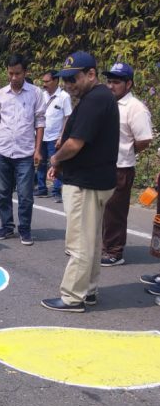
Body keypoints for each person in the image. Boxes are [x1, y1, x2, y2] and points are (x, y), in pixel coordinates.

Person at [41, 51, 119, 313]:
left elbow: (74, 144)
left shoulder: (95, 100)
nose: (68, 85)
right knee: (92, 241)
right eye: (65, 80)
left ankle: (73, 296)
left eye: (73, 79)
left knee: (80, 243)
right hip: (96, 179)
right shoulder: (98, 98)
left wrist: (55, 160)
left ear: (91, 74)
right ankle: (90, 290)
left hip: (87, 183)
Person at [0, 54, 46, 246]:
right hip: (2, 152)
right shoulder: (0, 95)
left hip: (25, 154)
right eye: (10, 73)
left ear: (25, 72)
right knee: (3, 192)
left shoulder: (35, 93)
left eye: (17, 73)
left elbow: (40, 122)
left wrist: (37, 150)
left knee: (25, 195)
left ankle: (25, 230)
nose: (13, 77)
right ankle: (7, 226)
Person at [100, 62, 153, 267]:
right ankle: (103, 246)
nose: (111, 86)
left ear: (128, 84)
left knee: (115, 212)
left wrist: (127, 152)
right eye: (109, 81)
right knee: (100, 210)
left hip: (121, 167)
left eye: (116, 82)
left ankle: (114, 252)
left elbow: (144, 139)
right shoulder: (107, 103)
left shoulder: (136, 108)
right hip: (102, 166)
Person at [35, 70, 72, 202]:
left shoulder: (64, 97)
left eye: (47, 81)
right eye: (43, 81)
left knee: (55, 162)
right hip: (41, 135)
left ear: (56, 81)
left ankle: (57, 190)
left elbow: (68, 118)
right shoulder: (41, 95)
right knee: (40, 162)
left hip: (55, 137)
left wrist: (62, 137)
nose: (44, 84)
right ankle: (42, 188)